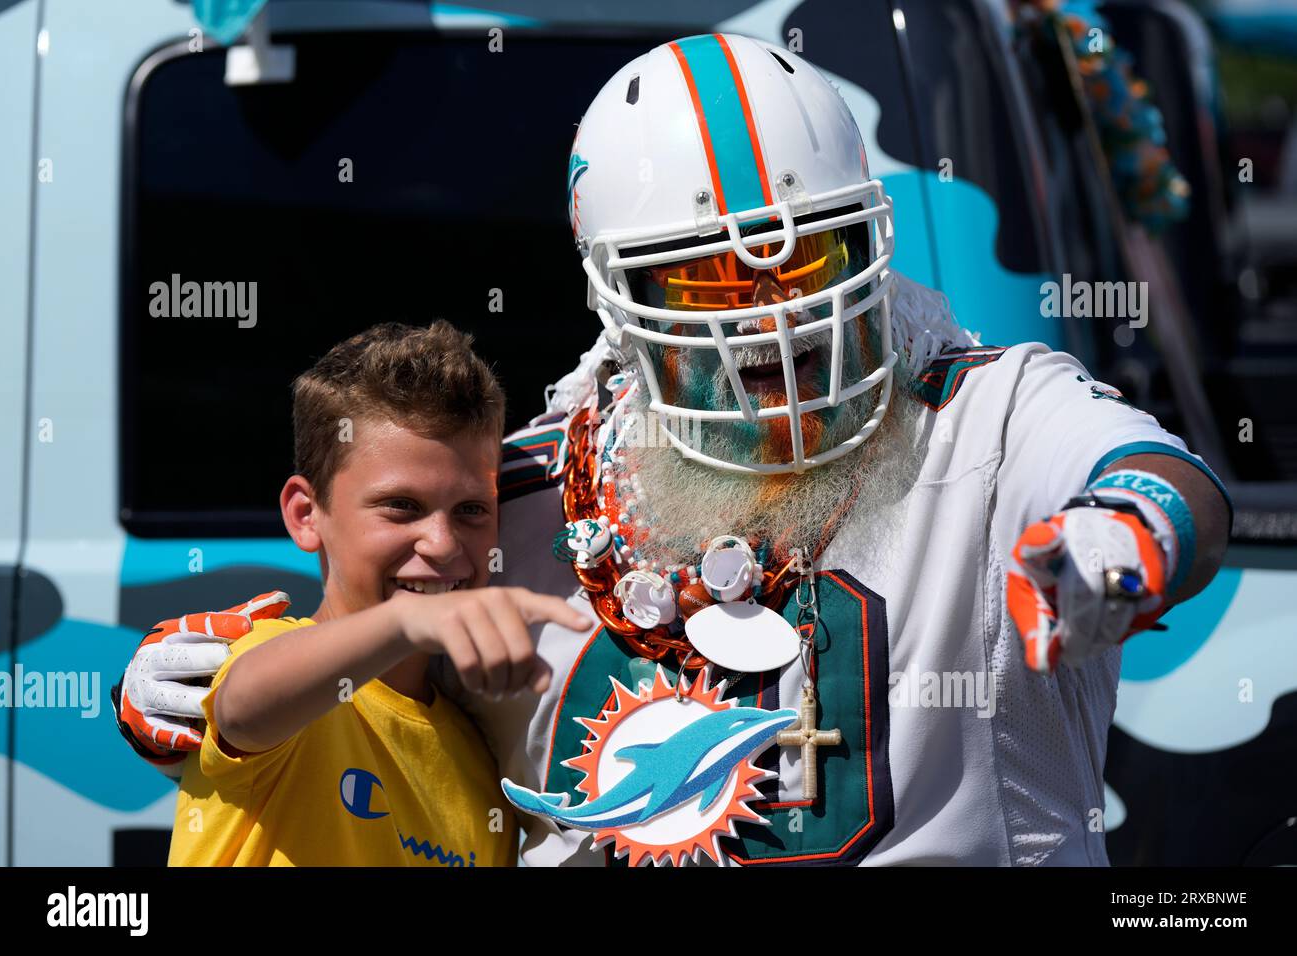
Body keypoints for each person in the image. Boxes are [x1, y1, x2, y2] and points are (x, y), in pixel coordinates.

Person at [117, 34, 1231, 866]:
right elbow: (347, 657)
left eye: (807, 258)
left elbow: (1163, 476)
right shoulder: (531, 488)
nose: (766, 316)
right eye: (704, 276)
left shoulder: (987, 410)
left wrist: (1120, 540)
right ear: (619, 293)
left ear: (870, 234)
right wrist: (182, 675)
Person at [158, 321, 590, 866]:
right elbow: (242, 706)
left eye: (472, 510)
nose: (441, 542)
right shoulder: (270, 655)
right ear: (305, 514)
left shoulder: (479, 758)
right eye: (401, 507)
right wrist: (409, 621)